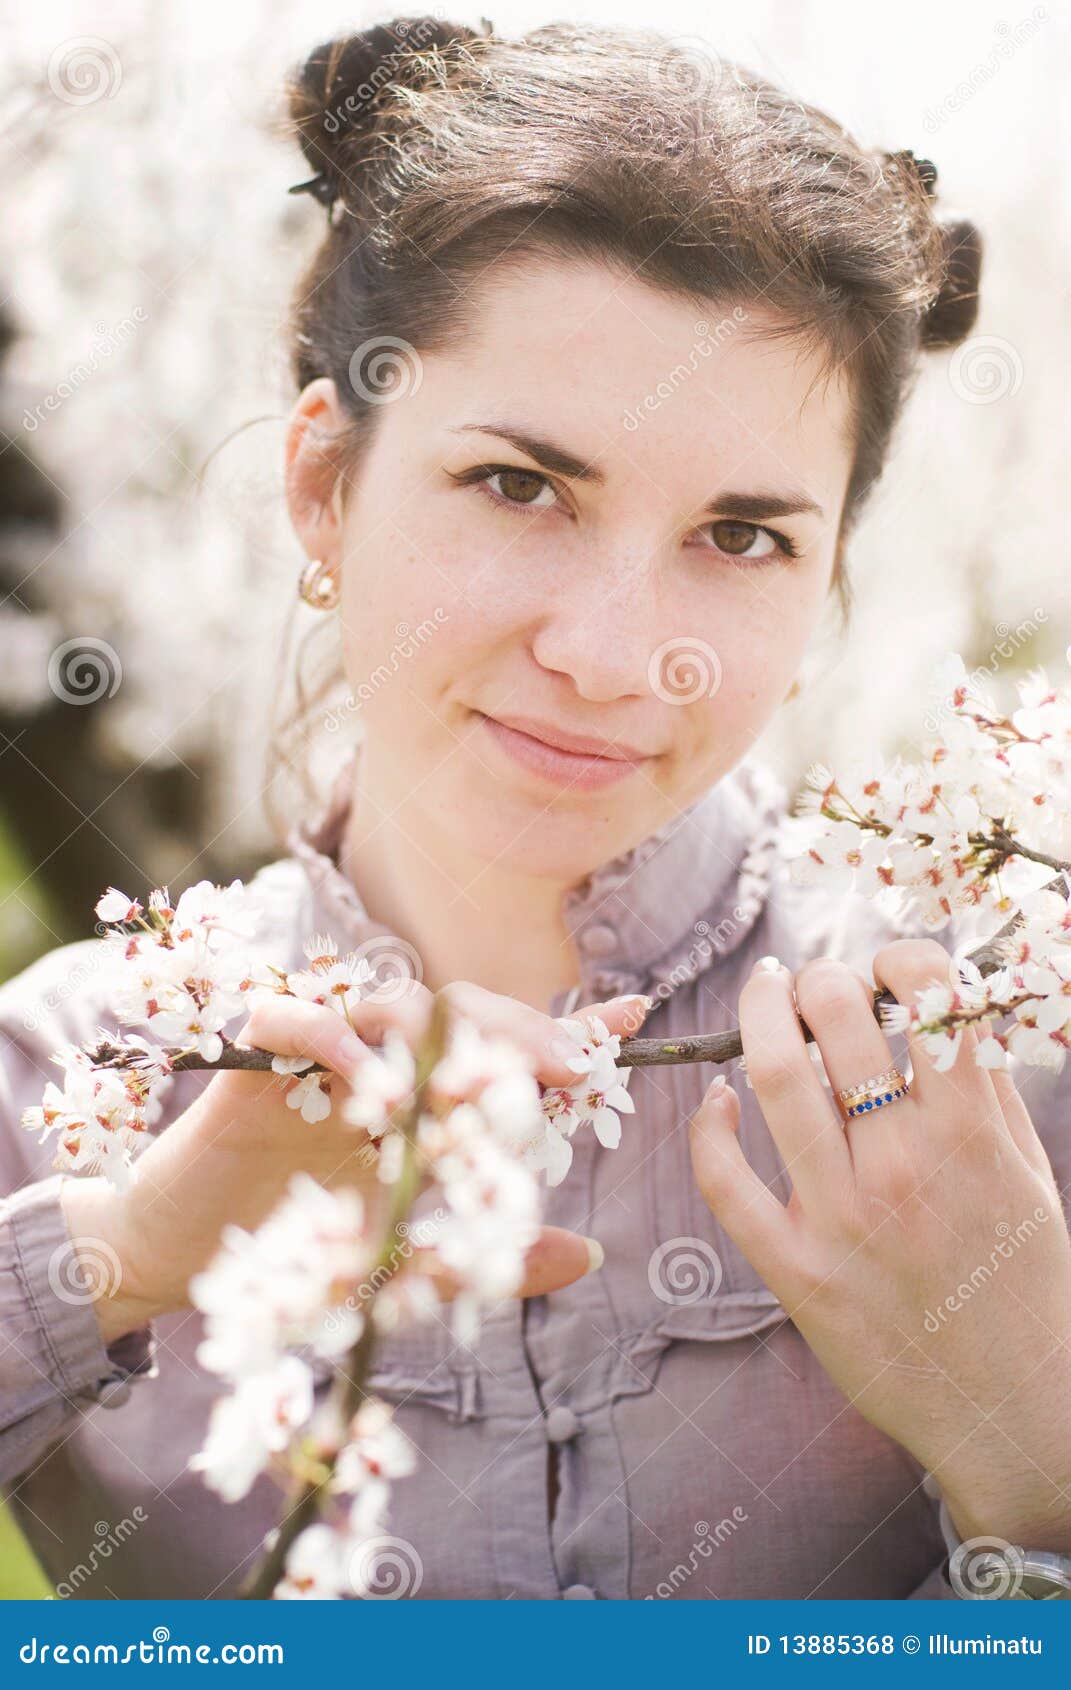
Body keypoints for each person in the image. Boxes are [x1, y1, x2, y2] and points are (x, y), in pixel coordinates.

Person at [2, 17, 1068, 1602]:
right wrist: (121, 1257)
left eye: (743, 535)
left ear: (828, 571)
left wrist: (1030, 1456)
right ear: (324, 486)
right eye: (519, 486)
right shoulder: (74, 1082)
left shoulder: (1000, 1075)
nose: (613, 656)